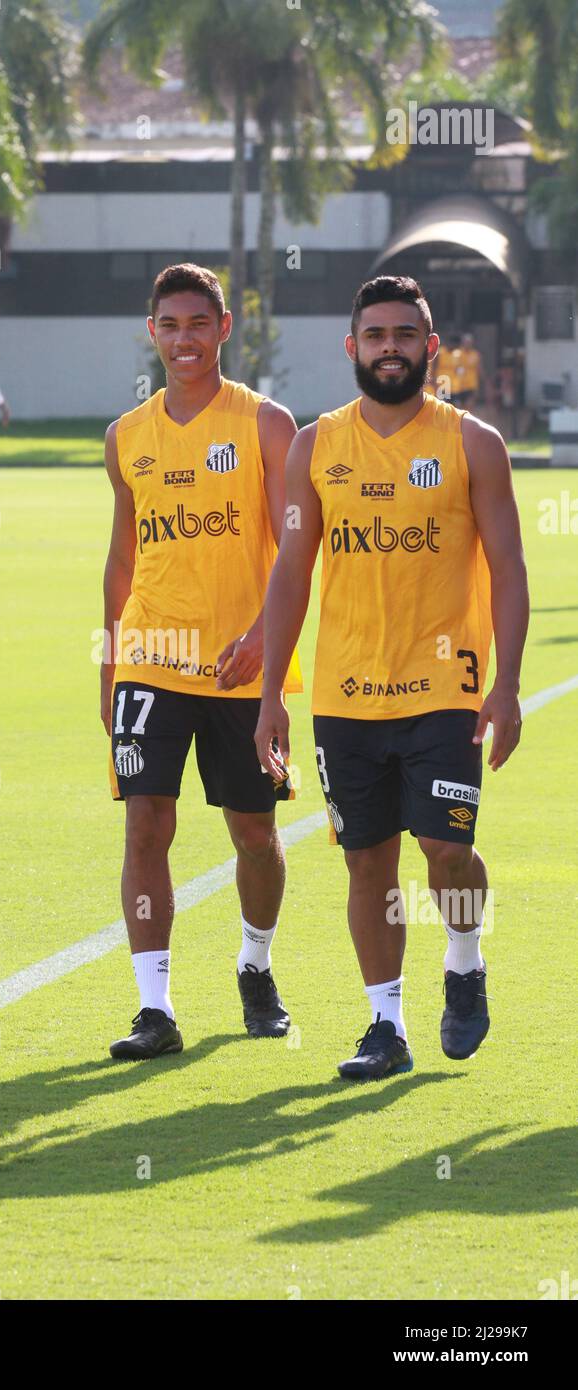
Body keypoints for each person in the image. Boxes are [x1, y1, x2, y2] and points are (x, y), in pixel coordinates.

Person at [255, 275, 529, 1081]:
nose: (389, 350)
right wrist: (272, 693)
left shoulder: (473, 443)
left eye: (405, 336)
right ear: (352, 348)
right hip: (345, 695)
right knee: (366, 862)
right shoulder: (315, 447)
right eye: (375, 337)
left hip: (444, 688)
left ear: (431, 348)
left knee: (446, 849)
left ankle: (466, 958)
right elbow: (291, 575)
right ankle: (385, 1026)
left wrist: (506, 684)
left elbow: (509, 569)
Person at [101, 262, 303, 1061]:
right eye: (169, 326)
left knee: (254, 833)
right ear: (153, 333)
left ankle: (255, 966)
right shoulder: (126, 437)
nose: (183, 340)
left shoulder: (265, 424)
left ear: (224, 328)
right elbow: (121, 561)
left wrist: (264, 637)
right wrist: (111, 668)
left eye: (198, 323)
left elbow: (298, 551)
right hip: (152, 657)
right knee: (146, 825)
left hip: (240, 667)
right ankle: (155, 1009)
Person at [457, 332, 483, 410]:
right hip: (459, 386)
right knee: (459, 409)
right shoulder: (457, 353)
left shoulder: (476, 354)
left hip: (472, 385)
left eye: (469, 342)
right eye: (466, 342)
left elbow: (479, 369)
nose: (467, 344)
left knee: (469, 407)